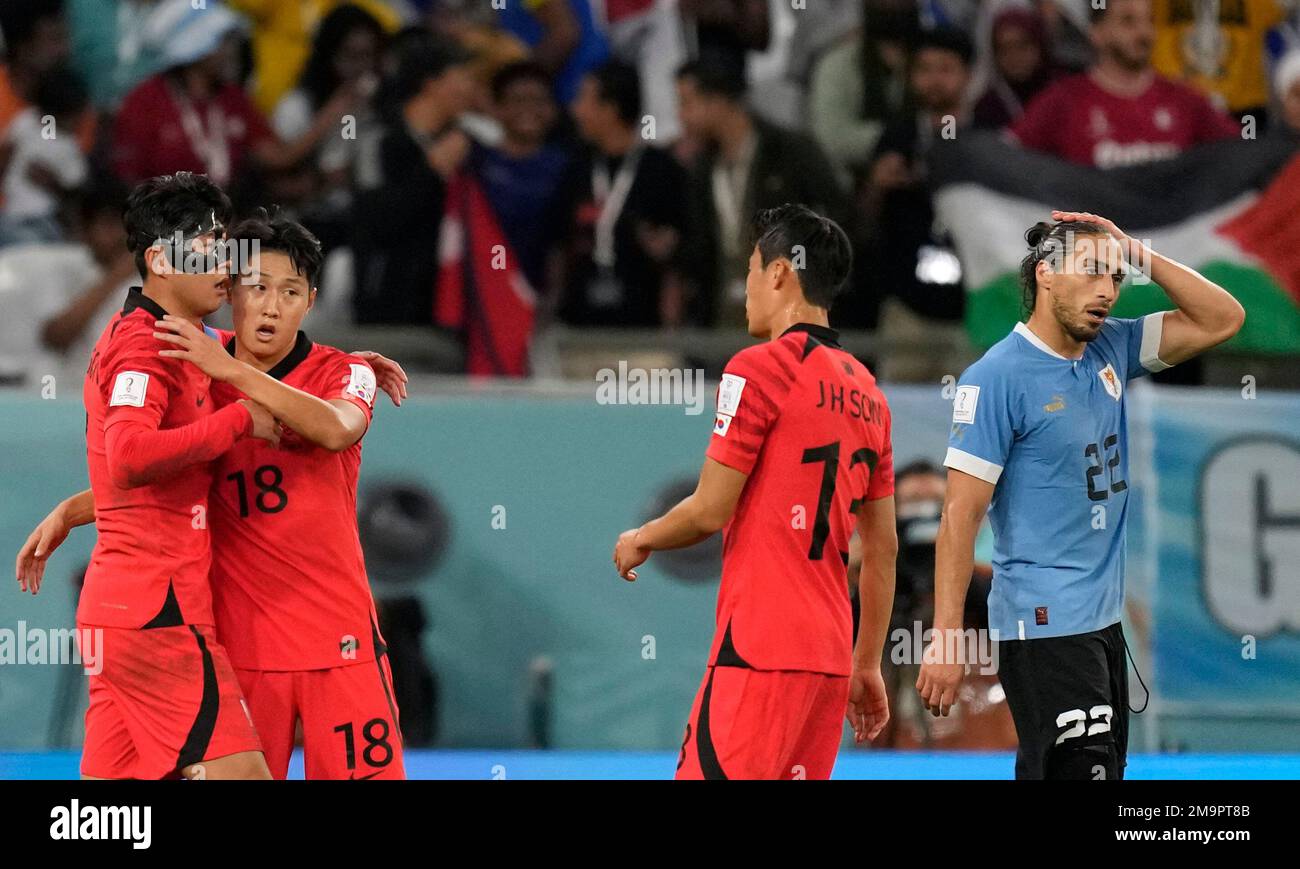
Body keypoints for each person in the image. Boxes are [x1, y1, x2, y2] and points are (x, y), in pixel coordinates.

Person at [22, 212, 408, 779]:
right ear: (229, 292)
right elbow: (162, 461)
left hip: (339, 646)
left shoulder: (345, 370)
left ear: (310, 302)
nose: (271, 307)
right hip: (241, 655)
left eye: (290, 292)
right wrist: (76, 510)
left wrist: (231, 370)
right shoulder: (197, 364)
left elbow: (337, 428)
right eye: (256, 288)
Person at [918, 211, 1246, 779]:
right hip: (1044, 623)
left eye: (1117, 278)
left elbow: (1224, 317)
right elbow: (959, 516)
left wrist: (1136, 252)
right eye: (1092, 271)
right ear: (1045, 273)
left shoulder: (1110, 349)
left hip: (1100, 624)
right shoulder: (996, 378)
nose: (1107, 291)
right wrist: (946, 636)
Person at [613, 204, 897, 780]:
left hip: (760, 650)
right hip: (828, 659)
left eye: (749, 272)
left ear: (779, 274)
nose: (744, 290)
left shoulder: (759, 368)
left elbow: (710, 509)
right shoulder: (870, 392)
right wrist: (865, 663)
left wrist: (641, 537)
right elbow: (883, 547)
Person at [16, 171, 277, 780]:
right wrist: (238, 421)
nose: (225, 263)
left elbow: (267, 360)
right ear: (160, 258)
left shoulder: (183, 338)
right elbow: (132, 457)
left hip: (120, 613)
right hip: (160, 617)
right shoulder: (144, 348)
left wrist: (345, 369)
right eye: (209, 246)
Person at [676, 59, 849, 328]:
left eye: (687, 103)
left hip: (790, 322)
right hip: (722, 321)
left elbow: (839, 219)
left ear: (718, 102)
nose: (681, 116)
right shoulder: (702, 169)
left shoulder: (792, 154)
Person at [862, 26, 973, 382]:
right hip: (906, 310)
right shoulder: (896, 137)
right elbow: (864, 221)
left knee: (969, 425)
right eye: (924, 70)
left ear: (967, 75)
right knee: (898, 423)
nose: (934, 80)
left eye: (945, 69)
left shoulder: (989, 138)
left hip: (971, 312)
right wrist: (876, 186)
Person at [1009, 0, 1239, 168]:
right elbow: (1006, 157)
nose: (1143, 32)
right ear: (1096, 33)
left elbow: (1242, 154)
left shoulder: (1185, 100)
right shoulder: (1062, 101)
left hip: (1166, 231)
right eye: (1128, 21)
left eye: (1149, 21)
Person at [351, 32, 476, 325]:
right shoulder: (378, 139)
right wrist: (431, 171)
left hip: (442, 309)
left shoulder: (464, 142)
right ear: (431, 83)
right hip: (385, 306)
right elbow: (376, 220)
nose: (472, 89)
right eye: (464, 78)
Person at [562, 60, 687, 327]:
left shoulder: (662, 171)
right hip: (579, 335)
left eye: (584, 99)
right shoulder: (576, 169)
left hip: (644, 336)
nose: (575, 110)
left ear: (611, 109)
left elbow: (676, 262)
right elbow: (559, 249)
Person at [473, 61, 574, 303]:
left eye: (538, 101)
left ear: (553, 109)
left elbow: (562, 244)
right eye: (517, 100)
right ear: (497, 108)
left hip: (543, 298)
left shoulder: (568, 167)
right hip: (484, 295)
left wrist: (553, 298)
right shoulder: (475, 164)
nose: (528, 109)